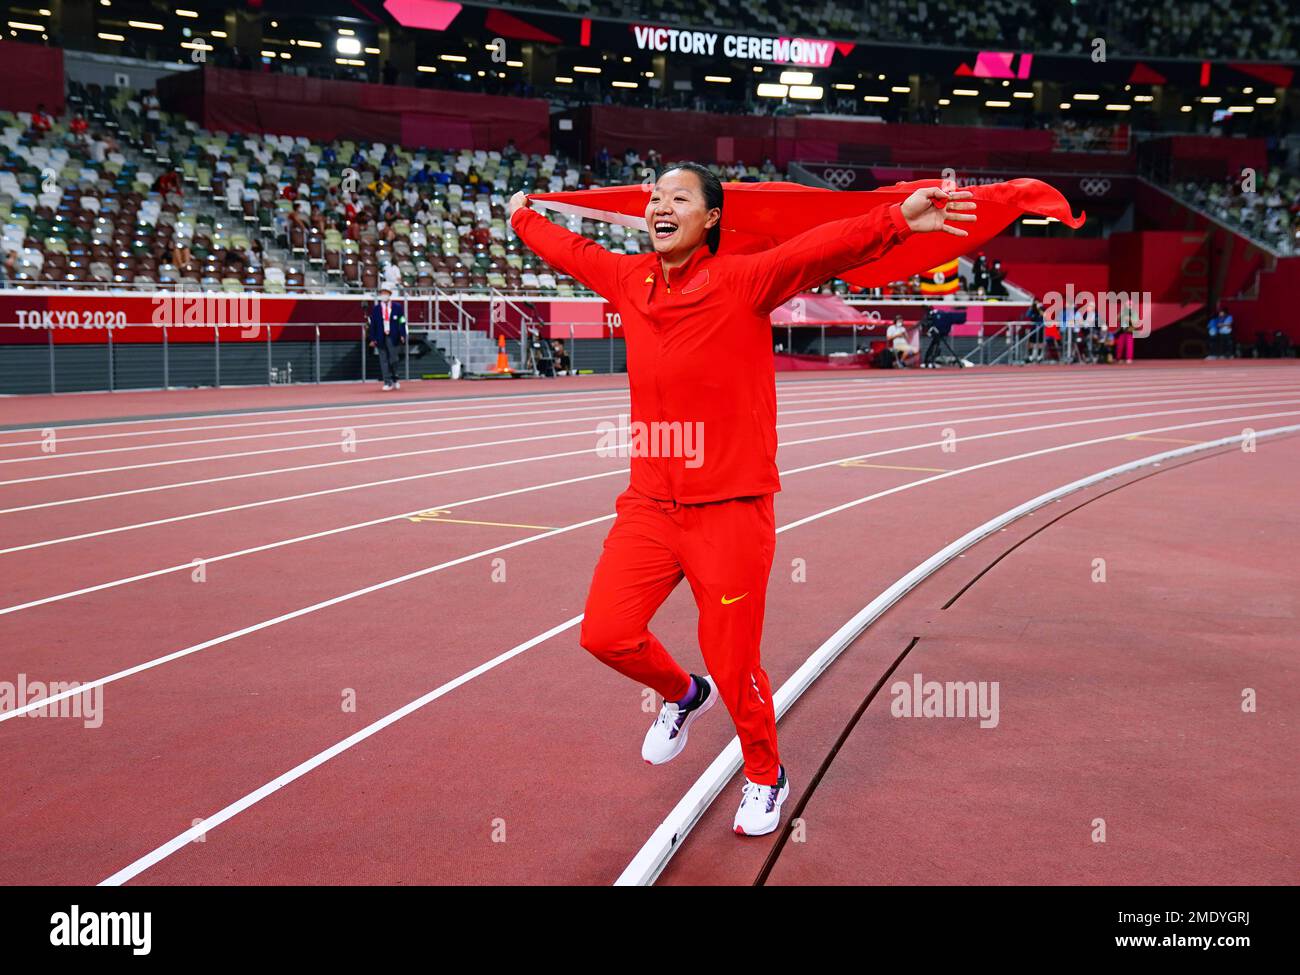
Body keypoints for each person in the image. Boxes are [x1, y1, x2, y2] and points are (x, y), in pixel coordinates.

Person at [508, 165, 976, 837]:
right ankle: (682, 693)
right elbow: (573, 250)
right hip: (649, 506)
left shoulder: (743, 280)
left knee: (733, 661)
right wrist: (523, 216)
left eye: (679, 198)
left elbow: (821, 250)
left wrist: (898, 219)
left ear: (711, 220)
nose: (660, 206)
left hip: (730, 510)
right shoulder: (630, 279)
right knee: (604, 633)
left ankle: (766, 773)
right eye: (654, 198)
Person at [367, 286, 406, 391]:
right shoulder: (376, 309)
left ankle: (395, 378)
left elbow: (402, 320)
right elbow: (373, 324)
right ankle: (387, 381)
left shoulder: (397, 307)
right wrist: (372, 338)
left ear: (389, 294)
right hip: (381, 336)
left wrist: (403, 334)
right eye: (382, 293)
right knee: (383, 360)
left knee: (394, 358)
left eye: (386, 293)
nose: (384, 295)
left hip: (393, 335)